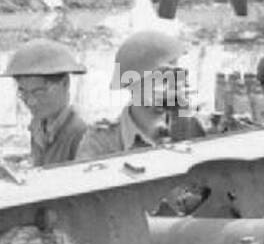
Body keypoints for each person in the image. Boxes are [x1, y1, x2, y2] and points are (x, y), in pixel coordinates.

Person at [77, 28, 211, 159]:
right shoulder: (101, 142)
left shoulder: (195, 127)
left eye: (177, 75)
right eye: (162, 76)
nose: (173, 83)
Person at [4, 39, 88, 167]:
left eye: (39, 92)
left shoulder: (81, 133)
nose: (30, 102)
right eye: (24, 93)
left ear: (65, 84)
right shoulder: (39, 125)